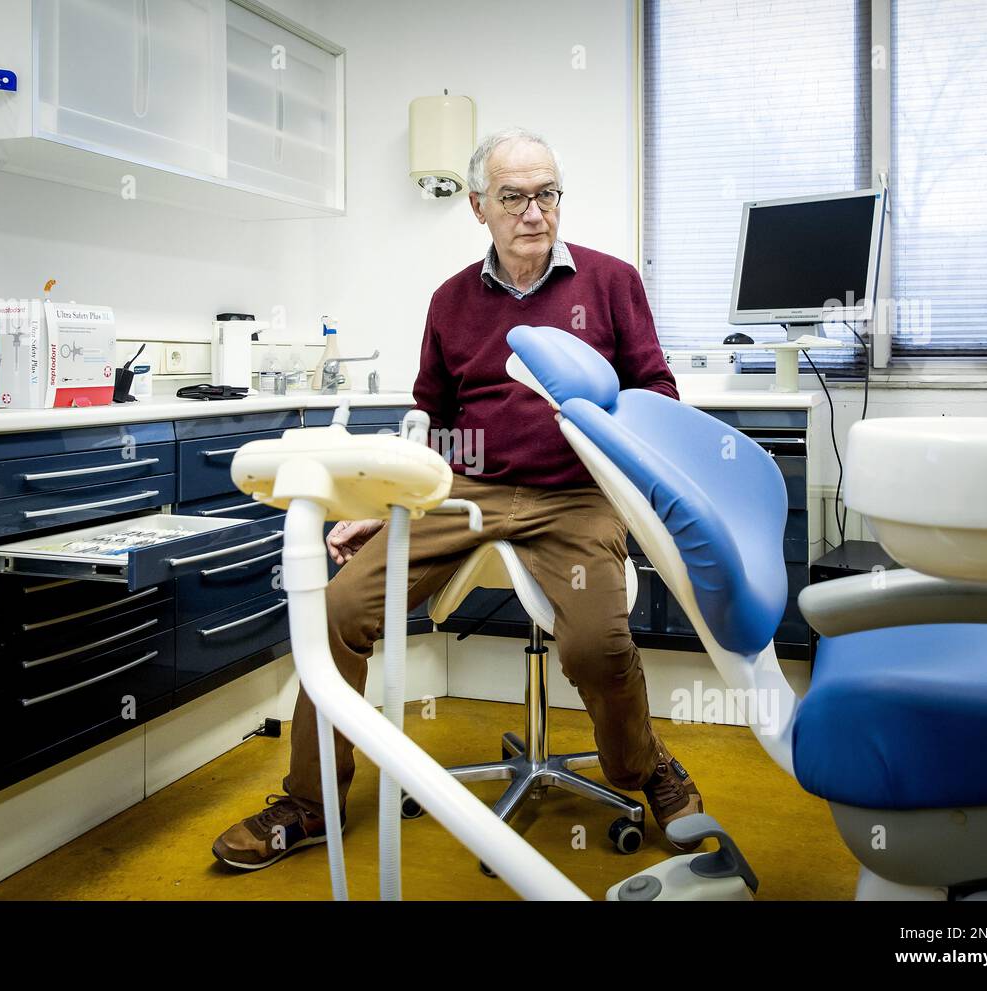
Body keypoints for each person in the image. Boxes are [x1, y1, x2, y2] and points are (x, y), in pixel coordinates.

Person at [212, 127, 703, 870]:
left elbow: (656, 393)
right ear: (479, 207)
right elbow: (431, 425)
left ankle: (643, 769)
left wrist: (618, 455)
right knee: (338, 609)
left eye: (547, 194)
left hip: (574, 494)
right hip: (463, 487)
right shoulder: (450, 301)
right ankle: (310, 803)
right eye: (514, 197)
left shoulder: (611, 281)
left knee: (596, 647)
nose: (534, 212)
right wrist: (382, 502)